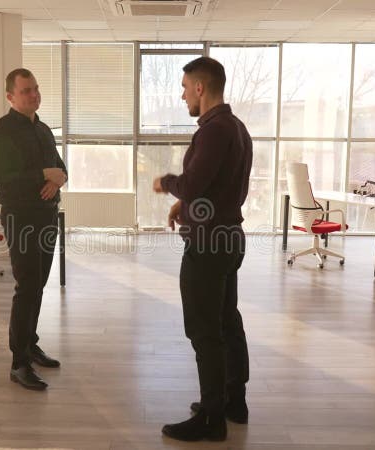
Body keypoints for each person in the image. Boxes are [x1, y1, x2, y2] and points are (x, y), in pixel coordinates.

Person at [152, 56, 252, 441]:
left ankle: (212, 420)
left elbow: (193, 183)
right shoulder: (236, 127)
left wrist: (169, 184)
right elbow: (221, 187)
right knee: (227, 320)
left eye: (184, 88)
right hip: (227, 236)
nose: (181, 96)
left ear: (200, 88)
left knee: (204, 331)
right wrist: (186, 205)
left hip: (208, 245)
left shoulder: (213, 130)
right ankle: (232, 401)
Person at [0, 68, 67, 391]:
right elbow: (2, 181)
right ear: (10, 97)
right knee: (26, 287)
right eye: (25, 91)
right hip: (22, 219)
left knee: (39, 285)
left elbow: (61, 168)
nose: (34, 95)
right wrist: (43, 175)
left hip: (48, 216)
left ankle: (31, 344)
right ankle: (18, 362)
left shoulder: (44, 130)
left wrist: (56, 176)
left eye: (35, 89)